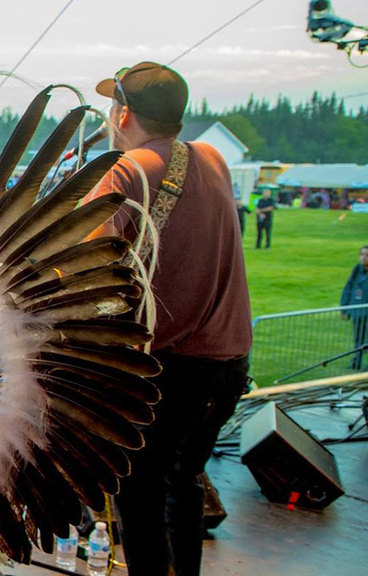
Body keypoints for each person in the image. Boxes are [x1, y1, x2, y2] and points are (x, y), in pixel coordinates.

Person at [87, 62, 252, 576]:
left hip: (167, 371)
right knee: (185, 483)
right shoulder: (213, 157)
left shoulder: (128, 169)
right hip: (228, 364)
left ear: (123, 113)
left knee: (140, 495)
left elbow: (75, 259)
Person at [341, 245, 368, 370]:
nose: (364, 258)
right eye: (362, 255)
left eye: (367, 255)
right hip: (358, 311)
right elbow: (348, 288)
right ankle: (356, 362)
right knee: (358, 338)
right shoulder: (357, 270)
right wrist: (344, 308)